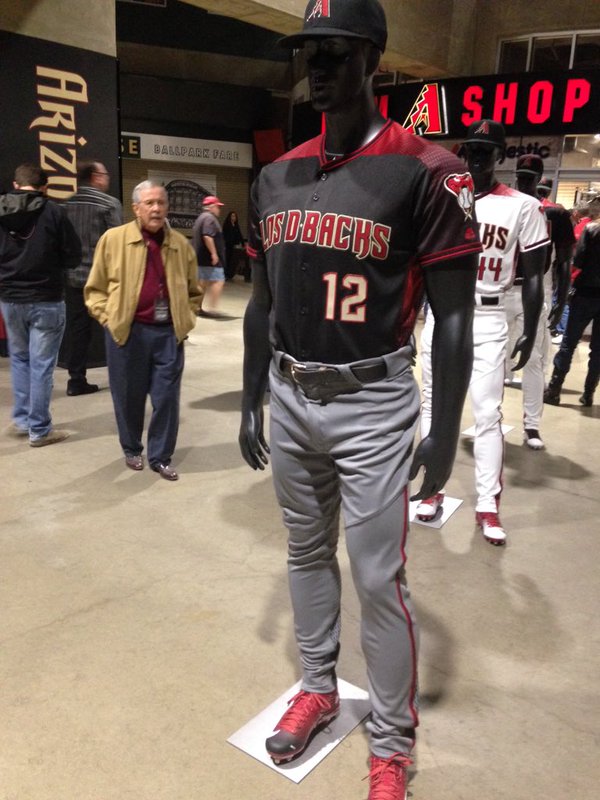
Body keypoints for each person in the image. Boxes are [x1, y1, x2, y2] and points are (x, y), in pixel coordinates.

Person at [238, 1, 482, 796]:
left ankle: (391, 740)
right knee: (306, 554)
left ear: (374, 57)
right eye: (309, 52)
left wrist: (445, 432)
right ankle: (315, 683)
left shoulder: (430, 168)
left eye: (336, 53)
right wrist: (250, 398)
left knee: (378, 578)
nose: (318, 68)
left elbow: (453, 318)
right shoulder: (277, 173)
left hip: (373, 401)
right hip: (290, 388)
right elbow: (262, 301)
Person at [417, 121, 549, 542]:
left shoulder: (522, 206)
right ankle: (432, 487)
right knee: (432, 403)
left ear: (499, 156)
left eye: (486, 151)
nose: (477, 158)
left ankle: (488, 503)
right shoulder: (444, 197)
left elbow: (533, 275)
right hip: (441, 312)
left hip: (490, 317)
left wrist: (530, 327)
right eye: (472, 150)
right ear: (463, 151)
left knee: (487, 411)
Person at [85, 180, 201, 480]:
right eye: (149, 203)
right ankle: (132, 448)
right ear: (136, 208)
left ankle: (161, 456)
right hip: (128, 333)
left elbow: (194, 291)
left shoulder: (181, 245)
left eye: (161, 203)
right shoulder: (113, 240)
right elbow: (95, 288)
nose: (156, 208)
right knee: (128, 396)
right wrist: (108, 318)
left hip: (167, 335)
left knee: (166, 398)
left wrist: (186, 319)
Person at [0, 163, 81, 446]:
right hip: (46, 297)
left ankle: (22, 420)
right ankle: (40, 429)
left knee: (20, 360)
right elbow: (73, 255)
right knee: (42, 365)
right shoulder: (54, 212)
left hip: (10, 299)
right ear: (44, 187)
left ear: (15, 183)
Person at [501, 155, 574, 449]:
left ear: (540, 179)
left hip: (534, 293)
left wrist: (559, 301)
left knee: (534, 362)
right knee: (495, 362)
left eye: (529, 177)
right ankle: (491, 419)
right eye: (520, 176)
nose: (524, 181)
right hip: (502, 290)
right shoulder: (505, 206)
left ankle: (531, 426)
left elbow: (565, 261)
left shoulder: (554, 214)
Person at [63, 160, 123, 395]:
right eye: (105, 174)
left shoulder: (67, 205)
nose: (107, 178)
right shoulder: (108, 204)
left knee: (78, 331)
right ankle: (120, 377)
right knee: (114, 327)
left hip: (73, 278)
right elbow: (117, 242)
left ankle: (76, 380)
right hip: (103, 280)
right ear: (96, 177)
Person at [544, 197, 600, 407]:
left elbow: (579, 260)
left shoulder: (591, 229)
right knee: (598, 349)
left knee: (569, 342)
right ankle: (588, 393)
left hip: (585, 292)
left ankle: (555, 390)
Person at [192, 195, 226, 316]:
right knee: (219, 281)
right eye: (218, 207)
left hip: (200, 257)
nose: (219, 210)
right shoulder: (209, 218)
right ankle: (212, 308)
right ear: (211, 207)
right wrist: (214, 254)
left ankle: (196, 307)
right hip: (209, 258)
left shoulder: (201, 217)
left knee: (203, 282)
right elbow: (207, 236)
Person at [222, 211, 246, 281]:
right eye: (232, 216)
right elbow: (224, 235)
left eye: (235, 216)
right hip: (227, 245)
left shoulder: (236, 225)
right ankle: (225, 274)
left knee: (232, 260)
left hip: (234, 245)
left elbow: (239, 234)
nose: (233, 218)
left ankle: (230, 274)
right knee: (227, 259)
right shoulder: (226, 225)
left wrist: (243, 243)